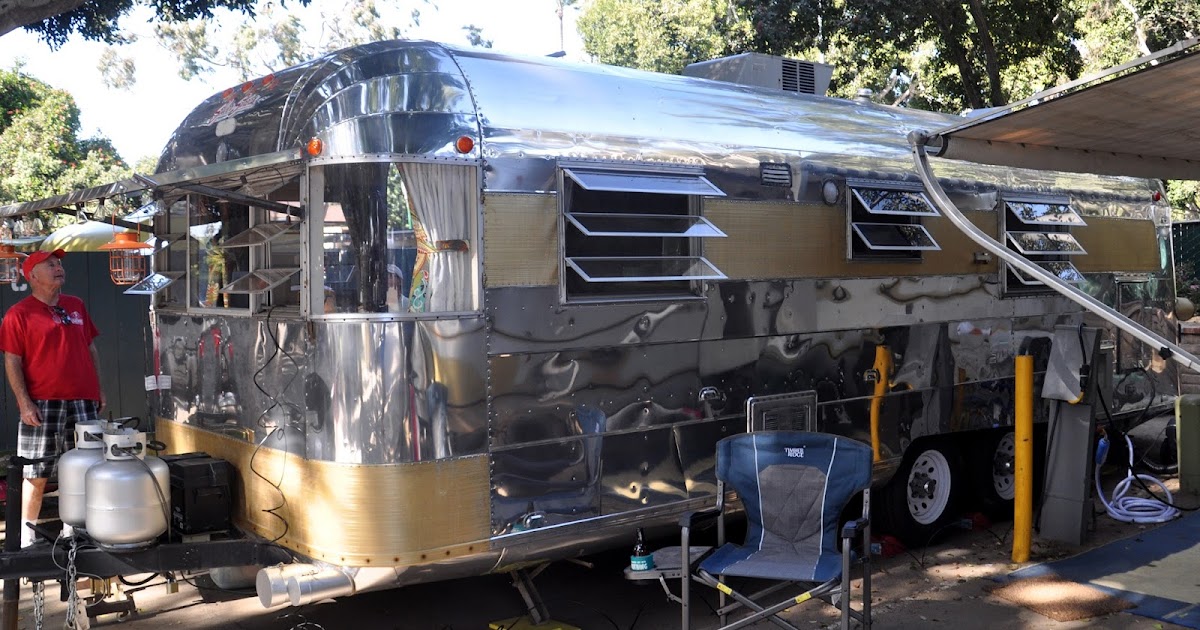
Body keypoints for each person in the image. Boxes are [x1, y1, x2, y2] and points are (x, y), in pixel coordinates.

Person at [0, 249, 105, 546]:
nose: (58, 268)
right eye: (50, 265)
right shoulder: (18, 314)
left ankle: (76, 530)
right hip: (42, 402)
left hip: (83, 400)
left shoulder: (76, 305)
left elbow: (91, 349)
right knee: (36, 473)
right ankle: (27, 536)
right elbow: (12, 360)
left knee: (87, 469)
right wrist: (23, 402)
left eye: (59, 264)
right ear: (32, 276)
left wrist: (99, 389)